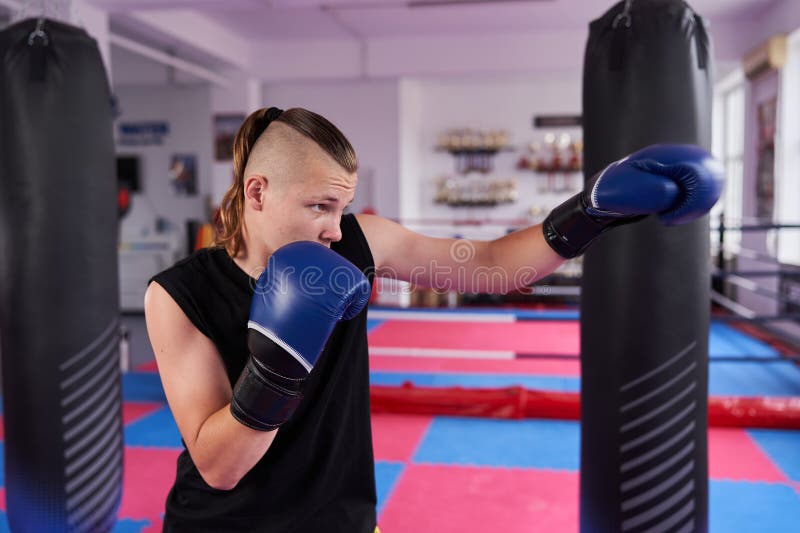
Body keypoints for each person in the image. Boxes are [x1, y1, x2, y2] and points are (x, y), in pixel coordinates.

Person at [144, 106, 723, 532]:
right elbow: (219, 468)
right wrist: (275, 366)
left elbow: (495, 266)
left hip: (341, 519)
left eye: (341, 208)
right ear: (257, 192)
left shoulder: (357, 242)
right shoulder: (178, 295)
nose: (332, 227)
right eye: (320, 206)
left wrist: (587, 213)